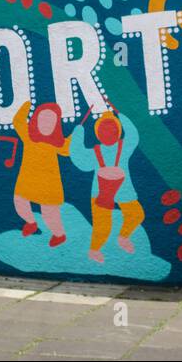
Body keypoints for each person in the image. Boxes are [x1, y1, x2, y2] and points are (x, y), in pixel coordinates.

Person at [69, 111, 145, 264]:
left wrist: (121, 115)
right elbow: (78, 157)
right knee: (103, 226)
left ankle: (123, 237)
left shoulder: (123, 147)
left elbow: (133, 135)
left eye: (112, 128)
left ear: (118, 130)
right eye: (104, 129)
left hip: (124, 189)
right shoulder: (95, 152)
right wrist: (78, 133)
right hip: (100, 191)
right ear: (98, 133)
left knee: (136, 214)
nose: (108, 132)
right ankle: (94, 250)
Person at [10, 100, 70, 246]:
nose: (46, 124)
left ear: (56, 125)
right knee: (20, 203)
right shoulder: (28, 136)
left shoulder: (58, 144)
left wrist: (76, 136)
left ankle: (59, 234)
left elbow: (69, 149)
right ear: (36, 120)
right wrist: (27, 104)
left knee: (49, 214)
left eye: (51, 121)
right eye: (43, 119)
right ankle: (31, 223)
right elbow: (18, 121)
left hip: (49, 185)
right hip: (27, 180)